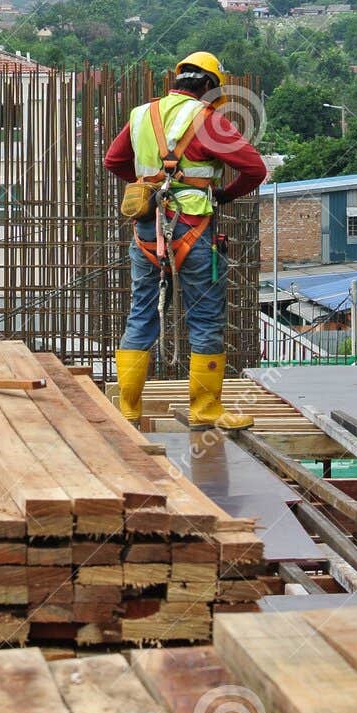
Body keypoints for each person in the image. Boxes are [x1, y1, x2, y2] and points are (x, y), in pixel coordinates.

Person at [105, 50, 268, 430]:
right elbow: (255, 169)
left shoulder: (142, 115)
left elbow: (114, 161)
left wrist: (149, 184)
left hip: (147, 229)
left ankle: (128, 409)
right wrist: (222, 195)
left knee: (142, 312)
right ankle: (205, 410)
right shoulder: (207, 121)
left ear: (177, 81)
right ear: (210, 87)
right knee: (205, 318)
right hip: (193, 229)